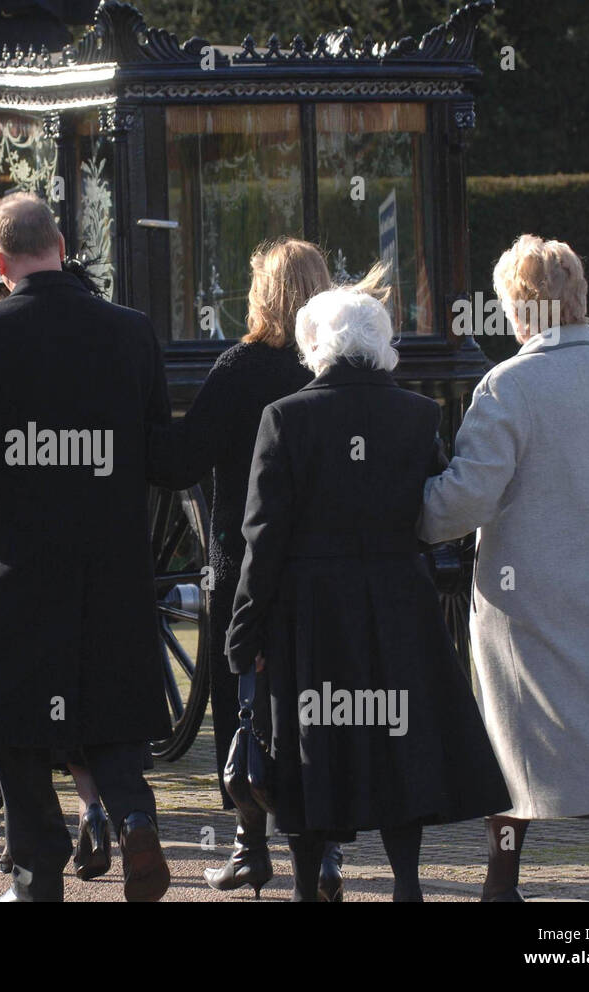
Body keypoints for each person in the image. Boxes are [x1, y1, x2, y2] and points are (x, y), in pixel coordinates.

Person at [418, 235, 589, 902]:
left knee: (513, 731)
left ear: (519, 308)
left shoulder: (507, 386)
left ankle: (502, 879)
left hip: (531, 598)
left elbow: (465, 500)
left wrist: (417, 513)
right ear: (578, 297)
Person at [227, 277, 511, 902]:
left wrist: (243, 629)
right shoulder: (417, 414)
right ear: (382, 344)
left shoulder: (285, 418)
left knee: (309, 748)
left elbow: (263, 538)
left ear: (313, 345)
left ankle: (307, 887)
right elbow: (435, 510)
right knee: (397, 744)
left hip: (310, 609)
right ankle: (406, 884)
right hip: (397, 602)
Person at [0, 192, 172, 902]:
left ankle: (37, 874)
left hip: (15, 560)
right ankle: (132, 814)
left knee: (16, 716)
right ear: (62, 245)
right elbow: (155, 447)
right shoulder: (132, 331)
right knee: (112, 703)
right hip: (111, 558)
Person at [149, 237, 347, 899]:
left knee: (246, 710)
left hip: (247, 564)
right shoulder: (341, 369)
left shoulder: (239, 369)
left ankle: (249, 844)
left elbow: (179, 463)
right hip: (325, 569)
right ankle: (321, 858)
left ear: (263, 295)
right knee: (320, 710)